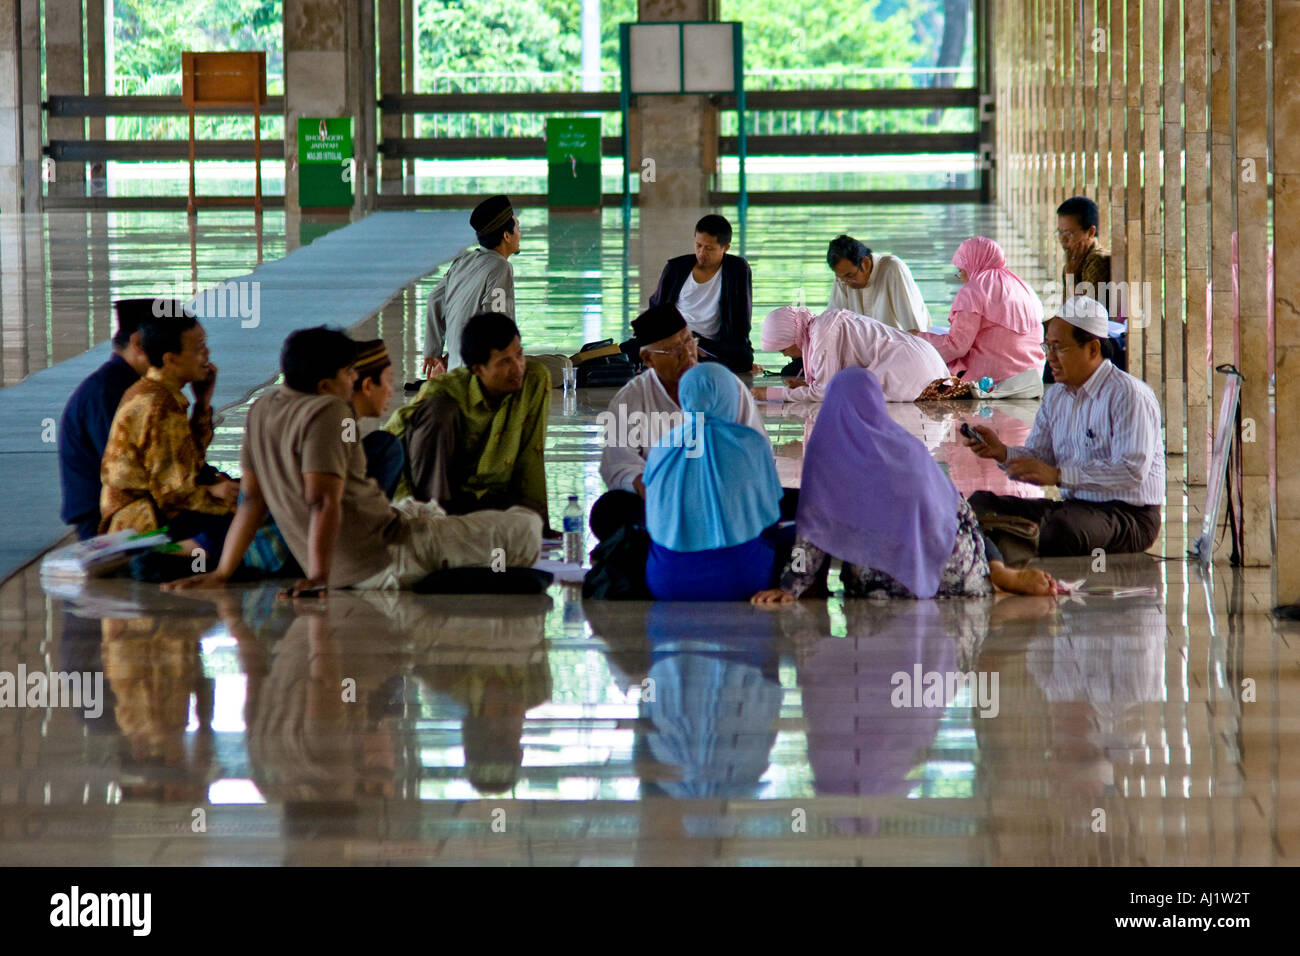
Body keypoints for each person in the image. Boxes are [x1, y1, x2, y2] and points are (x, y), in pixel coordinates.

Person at [165, 326, 541, 595]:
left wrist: (223, 571)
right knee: (525, 527)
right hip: (387, 554)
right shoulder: (330, 411)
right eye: (348, 373)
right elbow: (322, 500)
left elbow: (251, 499)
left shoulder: (263, 407)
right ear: (326, 384)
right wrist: (319, 576)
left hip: (359, 554)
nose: (353, 382)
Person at [752, 368, 1056, 605]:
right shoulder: (906, 447)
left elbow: (813, 534)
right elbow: (961, 513)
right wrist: (981, 568)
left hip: (885, 588)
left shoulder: (827, 451)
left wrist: (790, 588)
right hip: (962, 579)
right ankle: (997, 576)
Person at [962, 296, 1164, 556]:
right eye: (1047, 348)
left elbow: (1131, 470)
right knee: (979, 504)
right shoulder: (1057, 396)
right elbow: (1041, 457)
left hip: (1130, 515)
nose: (1050, 359)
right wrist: (1002, 452)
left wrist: (1059, 476)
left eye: (1059, 348)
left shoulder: (1128, 394)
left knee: (1061, 530)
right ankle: (1017, 538)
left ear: (1092, 349)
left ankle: (1014, 539)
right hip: (1076, 507)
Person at [384, 312, 553, 532]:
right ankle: (434, 526)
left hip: (494, 499)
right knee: (439, 410)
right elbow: (390, 444)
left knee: (524, 529)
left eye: (519, 355)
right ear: (477, 369)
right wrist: (412, 513)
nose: (518, 368)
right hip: (445, 499)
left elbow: (532, 455)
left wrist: (540, 525)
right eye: (504, 361)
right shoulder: (442, 391)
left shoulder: (535, 379)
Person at [99, 310, 239, 556]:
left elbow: (189, 460)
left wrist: (203, 405)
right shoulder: (158, 404)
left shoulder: (156, 392)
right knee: (250, 521)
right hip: (144, 524)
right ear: (171, 359)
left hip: (155, 511)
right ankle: (164, 555)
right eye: (199, 348)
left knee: (251, 504)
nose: (206, 355)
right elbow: (173, 495)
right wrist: (215, 495)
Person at [644, 363, 785, 601]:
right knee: (801, 538)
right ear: (730, 396)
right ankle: (795, 587)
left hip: (666, 581)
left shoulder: (662, 447)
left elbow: (653, 517)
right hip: (744, 579)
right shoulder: (751, 444)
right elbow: (770, 517)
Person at [600, 303, 768, 497]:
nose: (687, 354)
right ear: (648, 359)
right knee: (611, 508)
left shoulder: (727, 387)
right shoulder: (631, 399)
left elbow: (756, 447)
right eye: (673, 350)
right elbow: (618, 464)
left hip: (722, 495)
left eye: (689, 341)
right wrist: (644, 485)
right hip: (660, 497)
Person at [59, 298, 155, 540]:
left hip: (141, 506)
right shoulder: (107, 392)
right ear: (138, 344)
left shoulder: (138, 385)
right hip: (107, 524)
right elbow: (127, 474)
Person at [913, 237, 1045, 391]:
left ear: (974, 264)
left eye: (962, 270)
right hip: (1031, 378)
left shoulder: (974, 291)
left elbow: (956, 346)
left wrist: (917, 338)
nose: (961, 277)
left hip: (991, 381)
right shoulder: (1024, 287)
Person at [419, 194, 520, 381]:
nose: (520, 233)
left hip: (457, 365)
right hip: (481, 371)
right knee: (561, 365)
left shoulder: (463, 261)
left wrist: (433, 352)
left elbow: (434, 298)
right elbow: (498, 324)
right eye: (518, 227)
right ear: (507, 236)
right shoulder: (500, 267)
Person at [759, 305, 949, 402]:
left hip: (911, 369)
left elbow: (822, 394)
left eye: (783, 349)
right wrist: (806, 385)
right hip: (926, 359)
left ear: (794, 337)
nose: (784, 355)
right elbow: (830, 381)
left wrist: (771, 393)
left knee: (853, 401)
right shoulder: (821, 325)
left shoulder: (821, 336)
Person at [645, 214, 754, 374]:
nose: (702, 252)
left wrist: (742, 350)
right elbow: (657, 310)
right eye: (698, 245)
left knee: (743, 359)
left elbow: (742, 319)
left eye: (709, 248)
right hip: (677, 338)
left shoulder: (737, 270)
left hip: (713, 344)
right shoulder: (676, 268)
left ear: (726, 248)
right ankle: (692, 357)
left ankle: (693, 357)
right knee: (631, 349)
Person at [1056, 195, 1126, 372]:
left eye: (1070, 234)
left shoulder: (1096, 261)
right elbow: (1066, 311)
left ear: (1091, 232)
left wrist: (1071, 278)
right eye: (1060, 233)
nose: (1064, 241)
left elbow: (1084, 319)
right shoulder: (1074, 262)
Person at [825, 234, 931, 332]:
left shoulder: (892, 268)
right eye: (841, 278)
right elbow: (832, 324)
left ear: (865, 263)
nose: (846, 283)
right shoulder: (843, 278)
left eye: (850, 276)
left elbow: (915, 329)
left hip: (898, 348)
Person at [349, 338, 404, 498]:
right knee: (387, 445)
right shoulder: (345, 423)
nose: (390, 391)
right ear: (367, 386)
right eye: (388, 380)